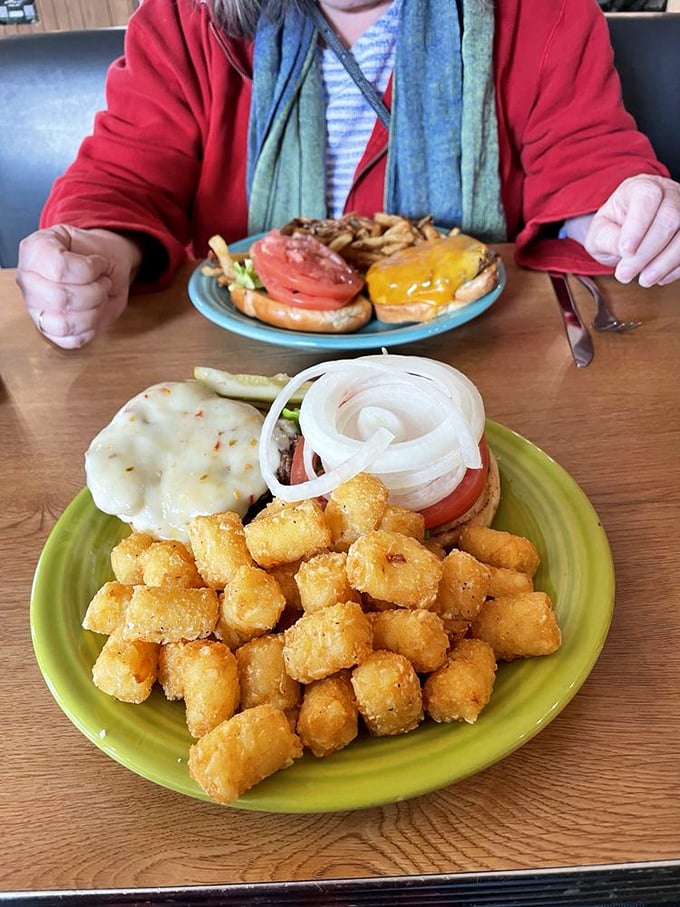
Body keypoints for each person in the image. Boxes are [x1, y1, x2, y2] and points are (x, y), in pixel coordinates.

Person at [16, 0, 680, 349]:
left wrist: (624, 213)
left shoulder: (542, 9)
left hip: (479, 363)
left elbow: (588, 154)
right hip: (240, 371)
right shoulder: (184, 18)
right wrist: (99, 251)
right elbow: (124, 175)